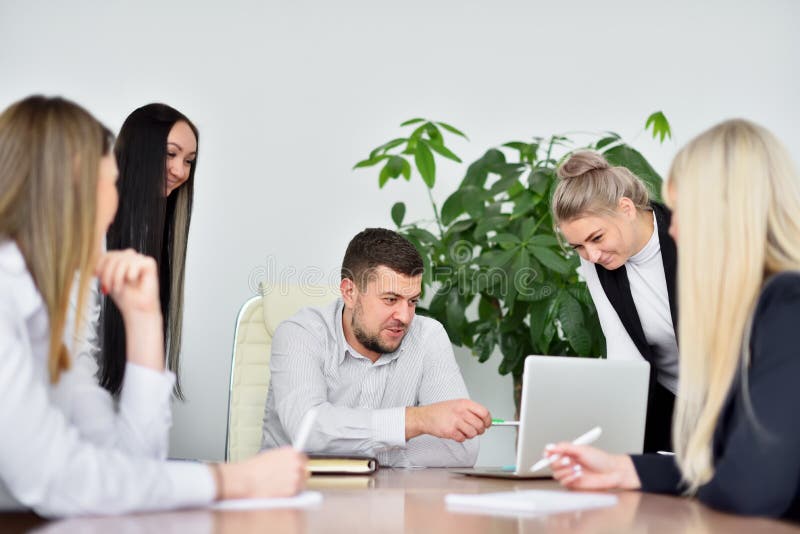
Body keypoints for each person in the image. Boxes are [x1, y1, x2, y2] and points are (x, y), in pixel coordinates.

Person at [0, 95, 306, 517]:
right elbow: (61, 481)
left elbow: (127, 462)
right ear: (70, 187)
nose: (114, 211)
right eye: (111, 182)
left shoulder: (47, 305)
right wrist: (233, 480)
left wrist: (145, 322)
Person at [545, 119, 800, 519]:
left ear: (730, 214)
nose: (672, 227)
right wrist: (626, 466)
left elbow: (750, 485)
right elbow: (723, 467)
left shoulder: (786, 303)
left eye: (680, 212)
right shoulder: (775, 300)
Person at [261, 228, 492, 467]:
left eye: (412, 301)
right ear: (349, 292)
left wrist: (363, 451)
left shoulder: (428, 336)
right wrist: (417, 421)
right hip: (295, 494)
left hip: (387, 499)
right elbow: (307, 430)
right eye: (390, 300)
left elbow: (461, 449)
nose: (404, 316)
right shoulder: (300, 333)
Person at [552, 151, 678, 453]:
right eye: (578, 246)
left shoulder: (685, 234)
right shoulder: (596, 262)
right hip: (671, 404)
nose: (592, 255)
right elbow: (624, 354)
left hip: (736, 398)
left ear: (626, 209)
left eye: (597, 238)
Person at [100, 103, 198, 398]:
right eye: (171, 154)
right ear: (140, 150)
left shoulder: (148, 232)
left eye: (189, 160)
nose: (180, 170)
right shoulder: (94, 234)